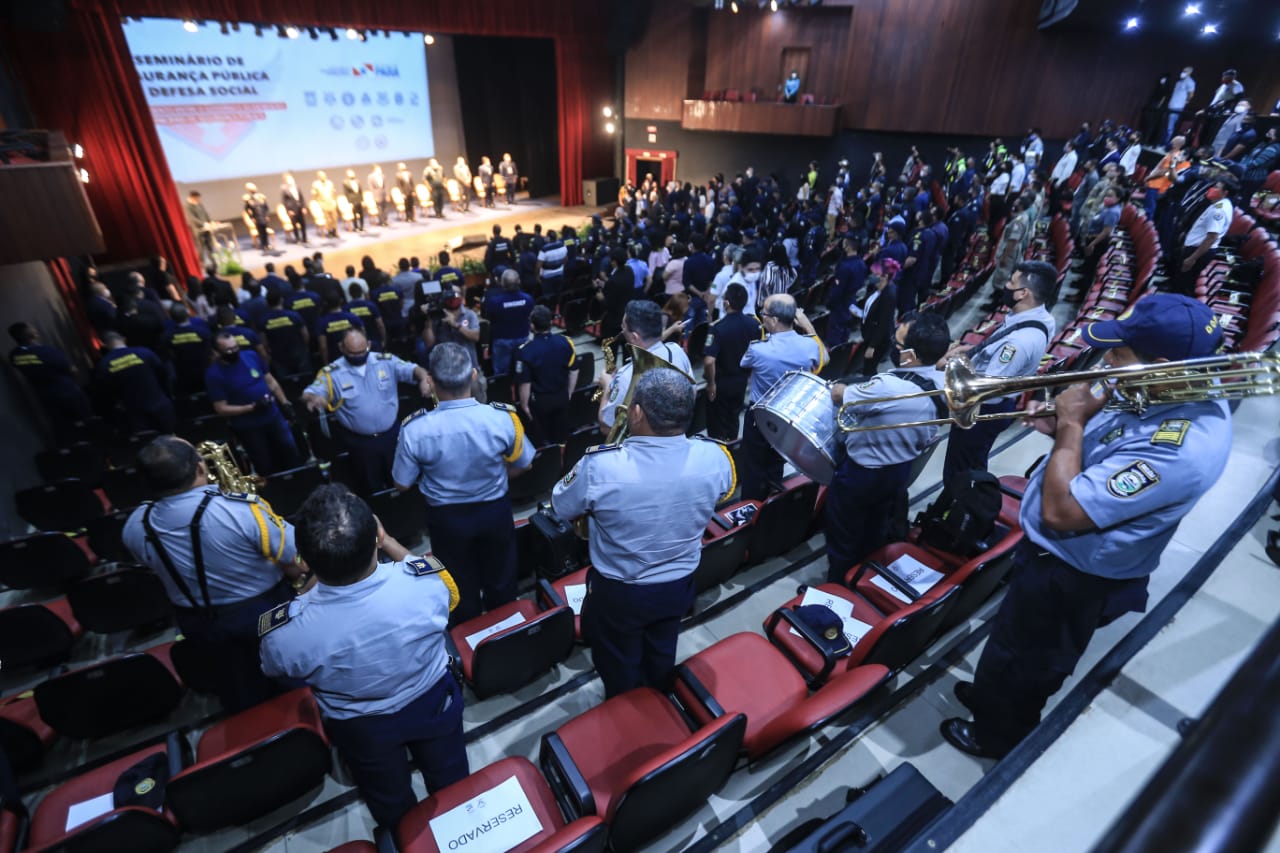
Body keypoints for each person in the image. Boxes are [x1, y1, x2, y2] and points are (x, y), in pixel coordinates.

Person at [942, 294, 1229, 758]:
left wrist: (1072, 426)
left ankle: (996, 736)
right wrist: (1063, 431)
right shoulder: (1156, 385)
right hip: (1051, 557)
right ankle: (989, 698)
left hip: (1074, 576)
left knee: (1030, 663)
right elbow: (1105, 450)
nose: (1107, 361)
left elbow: (1063, 512)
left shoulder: (1183, 446)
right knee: (1009, 643)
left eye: (1119, 353)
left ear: (1158, 365)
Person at [259, 485, 467, 832]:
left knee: (388, 796)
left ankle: (404, 838)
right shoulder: (424, 583)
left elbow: (275, 668)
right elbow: (450, 595)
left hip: (360, 724)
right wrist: (387, 542)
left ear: (303, 560)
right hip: (433, 700)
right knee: (451, 777)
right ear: (375, 538)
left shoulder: (284, 632)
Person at [552, 368, 734, 697]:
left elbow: (562, 507)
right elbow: (721, 494)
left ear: (635, 412)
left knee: (618, 661)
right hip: (680, 582)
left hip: (622, 590)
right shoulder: (715, 456)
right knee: (662, 648)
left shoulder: (600, 466)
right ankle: (657, 699)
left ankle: (629, 712)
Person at [123, 436, 302, 712]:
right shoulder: (241, 510)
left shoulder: (135, 525)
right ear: (200, 469)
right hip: (265, 612)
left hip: (197, 623)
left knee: (239, 693)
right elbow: (294, 556)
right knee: (296, 679)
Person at [393, 343, 533, 622]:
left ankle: (469, 631)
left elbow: (401, 484)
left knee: (458, 582)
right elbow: (525, 463)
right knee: (501, 576)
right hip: (495, 510)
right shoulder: (502, 417)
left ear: (431, 382)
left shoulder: (414, 429)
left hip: (447, 519)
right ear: (472, 375)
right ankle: (507, 631)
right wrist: (492, 476)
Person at [825, 312, 951, 582]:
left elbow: (839, 396)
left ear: (912, 355)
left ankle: (837, 583)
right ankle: (864, 575)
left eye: (898, 345)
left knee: (843, 531)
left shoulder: (887, 386)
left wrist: (839, 386)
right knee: (875, 526)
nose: (894, 347)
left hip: (863, 473)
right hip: (901, 468)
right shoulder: (945, 383)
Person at [941, 262, 1057, 484]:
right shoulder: (1041, 317)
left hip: (983, 410)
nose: (1006, 285)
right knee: (972, 461)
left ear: (1023, 293)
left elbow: (987, 387)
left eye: (1011, 282)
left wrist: (954, 367)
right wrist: (971, 351)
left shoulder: (1018, 344)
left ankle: (952, 508)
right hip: (997, 401)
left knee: (960, 470)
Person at [302, 329, 430, 495]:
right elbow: (309, 393)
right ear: (342, 347)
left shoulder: (385, 361)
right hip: (360, 442)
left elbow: (415, 369)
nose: (358, 356)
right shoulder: (332, 373)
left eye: (362, 352)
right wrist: (314, 399)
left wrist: (423, 379)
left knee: (404, 481)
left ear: (369, 345)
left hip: (393, 435)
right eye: (353, 353)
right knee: (370, 486)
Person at [739, 294, 825, 500]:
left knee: (752, 467)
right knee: (777, 459)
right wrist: (808, 327)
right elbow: (825, 357)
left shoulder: (759, 350)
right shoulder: (809, 345)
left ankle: (750, 508)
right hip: (789, 416)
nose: (762, 317)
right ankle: (772, 500)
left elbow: (744, 363)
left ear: (774, 320)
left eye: (764, 314)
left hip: (759, 416)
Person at [205, 332, 300, 475]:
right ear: (216, 352)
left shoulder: (251, 356)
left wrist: (285, 402)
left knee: (290, 450)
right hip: (249, 427)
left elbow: (270, 381)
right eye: (229, 350)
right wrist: (251, 407)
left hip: (273, 416)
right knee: (263, 461)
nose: (234, 352)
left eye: (236, 347)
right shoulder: (214, 374)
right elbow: (221, 408)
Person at [597, 300, 694, 435]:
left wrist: (607, 385)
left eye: (623, 326)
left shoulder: (626, 376)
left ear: (634, 336)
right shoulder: (677, 351)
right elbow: (691, 394)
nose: (621, 329)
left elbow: (607, 427)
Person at [8, 322, 92, 440]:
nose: (35, 329)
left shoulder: (15, 355)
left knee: (61, 423)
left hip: (43, 393)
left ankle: (73, 447)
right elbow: (71, 370)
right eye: (31, 328)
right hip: (66, 389)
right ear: (27, 334)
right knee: (84, 417)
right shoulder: (46, 351)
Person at [702, 282, 760, 442]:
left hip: (720, 383)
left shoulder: (718, 328)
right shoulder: (754, 324)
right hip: (741, 381)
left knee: (716, 425)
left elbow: (708, 361)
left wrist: (711, 383)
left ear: (726, 303)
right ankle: (733, 451)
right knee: (733, 419)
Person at [515, 305, 579, 446]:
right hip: (561, 395)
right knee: (561, 437)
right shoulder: (566, 342)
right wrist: (569, 393)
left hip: (540, 402)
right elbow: (574, 370)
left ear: (532, 325)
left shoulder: (525, 351)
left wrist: (525, 406)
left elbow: (525, 383)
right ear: (550, 322)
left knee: (542, 439)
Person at [93, 331, 175, 434]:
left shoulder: (104, 365)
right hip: (160, 404)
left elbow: (106, 391)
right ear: (123, 339)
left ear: (103, 344)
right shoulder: (145, 352)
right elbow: (163, 375)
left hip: (135, 412)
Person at [1169, 179, 1232, 296]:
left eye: (1217, 187)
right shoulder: (1223, 204)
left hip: (1198, 250)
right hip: (1196, 247)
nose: (1212, 189)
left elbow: (1212, 237)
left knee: (1183, 285)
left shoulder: (1218, 211)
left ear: (1225, 193)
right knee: (1180, 280)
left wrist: (1192, 258)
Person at [483, 269, 534, 377]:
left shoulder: (494, 302)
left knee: (501, 373)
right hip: (523, 338)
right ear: (519, 281)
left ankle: (504, 392)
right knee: (524, 369)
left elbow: (488, 317)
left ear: (502, 283)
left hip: (502, 341)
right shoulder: (528, 299)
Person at [851, 263, 897, 377]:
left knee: (869, 369)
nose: (873, 275)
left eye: (876, 273)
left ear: (885, 276)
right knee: (867, 365)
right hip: (869, 333)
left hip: (879, 340)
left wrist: (872, 346)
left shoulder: (889, 295)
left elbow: (883, 323)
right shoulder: (876, 289)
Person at [166, 305, 214, 396]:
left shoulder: (168, 336)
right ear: (187, 313)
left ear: (172, 318)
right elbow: (210, 350)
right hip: (204, 369)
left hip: (183, 372)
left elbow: (170, 354)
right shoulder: (202, 331)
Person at [261, 291, 311, 376]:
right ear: (281, 300)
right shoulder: (294, 315)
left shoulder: (263, 320)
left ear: (267, 302)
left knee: (286, 384)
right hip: (299, 353)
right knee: (306, 379)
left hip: (279, 357)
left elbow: (264, 342)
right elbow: (305, 335)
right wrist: (304, 348)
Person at [315, 295, 365, 364]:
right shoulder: (352, 317)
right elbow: (363, 334)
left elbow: (323, 347)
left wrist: (325, 362)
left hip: (334, 359)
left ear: (326, 304)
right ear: (340, 301)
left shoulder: (322, 322)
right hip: (354, 356)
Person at [345, 283, 386, 352]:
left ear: (350, 294)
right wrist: (384, 339)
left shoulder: (346, 308)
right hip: (374, 340)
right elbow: (380, 324)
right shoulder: (371, 305)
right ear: (361, 292)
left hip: (356, 342)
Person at [1166, 67, 1196, 145]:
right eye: (1183, 71)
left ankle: (1167, 145)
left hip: (1178, 107)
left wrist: (1186, 101)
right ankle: (1162, 143)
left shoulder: (1190, 82)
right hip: (1170, 105)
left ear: (1190, 72)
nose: (1183, 72)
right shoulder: (1179, 82)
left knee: (1170, 127)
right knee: (1166, 126)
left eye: (1185, 71)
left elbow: (1191, 94)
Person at [185, 190, 215, 264]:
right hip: (198, 230)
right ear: (192, 197)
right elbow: (192, 218)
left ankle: (214, 262)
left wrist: (210, 222)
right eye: (197, 198)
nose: (198, 199)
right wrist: (203, 224)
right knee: (201, 247)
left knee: (210, 246)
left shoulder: (199, 204)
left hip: (207, 228)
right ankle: (202, 263)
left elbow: (205, 214)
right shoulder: (187, 206)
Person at [242, 183, 272, 251]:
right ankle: (263, 244)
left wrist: (267, 215)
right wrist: (251, 217)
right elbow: (247, 209)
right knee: (260, 231)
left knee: (265, 230)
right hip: (257, 218)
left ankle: (267, 244)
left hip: (263, 216)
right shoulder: (248, 199)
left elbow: (266, 207)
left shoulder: (261, 197)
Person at [281, 173, 307, 244]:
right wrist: (289, 210)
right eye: (289, 179)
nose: (291, 180)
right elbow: (284, 201)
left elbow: (302, 198)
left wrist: (304, 207)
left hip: (300, 208)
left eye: (291, 178)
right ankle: (298, 239)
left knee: (303, 224)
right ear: (286, 180)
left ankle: (305, 238)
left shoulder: (297, 187)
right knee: (295, 226)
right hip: (292, 210)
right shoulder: (284, 189)